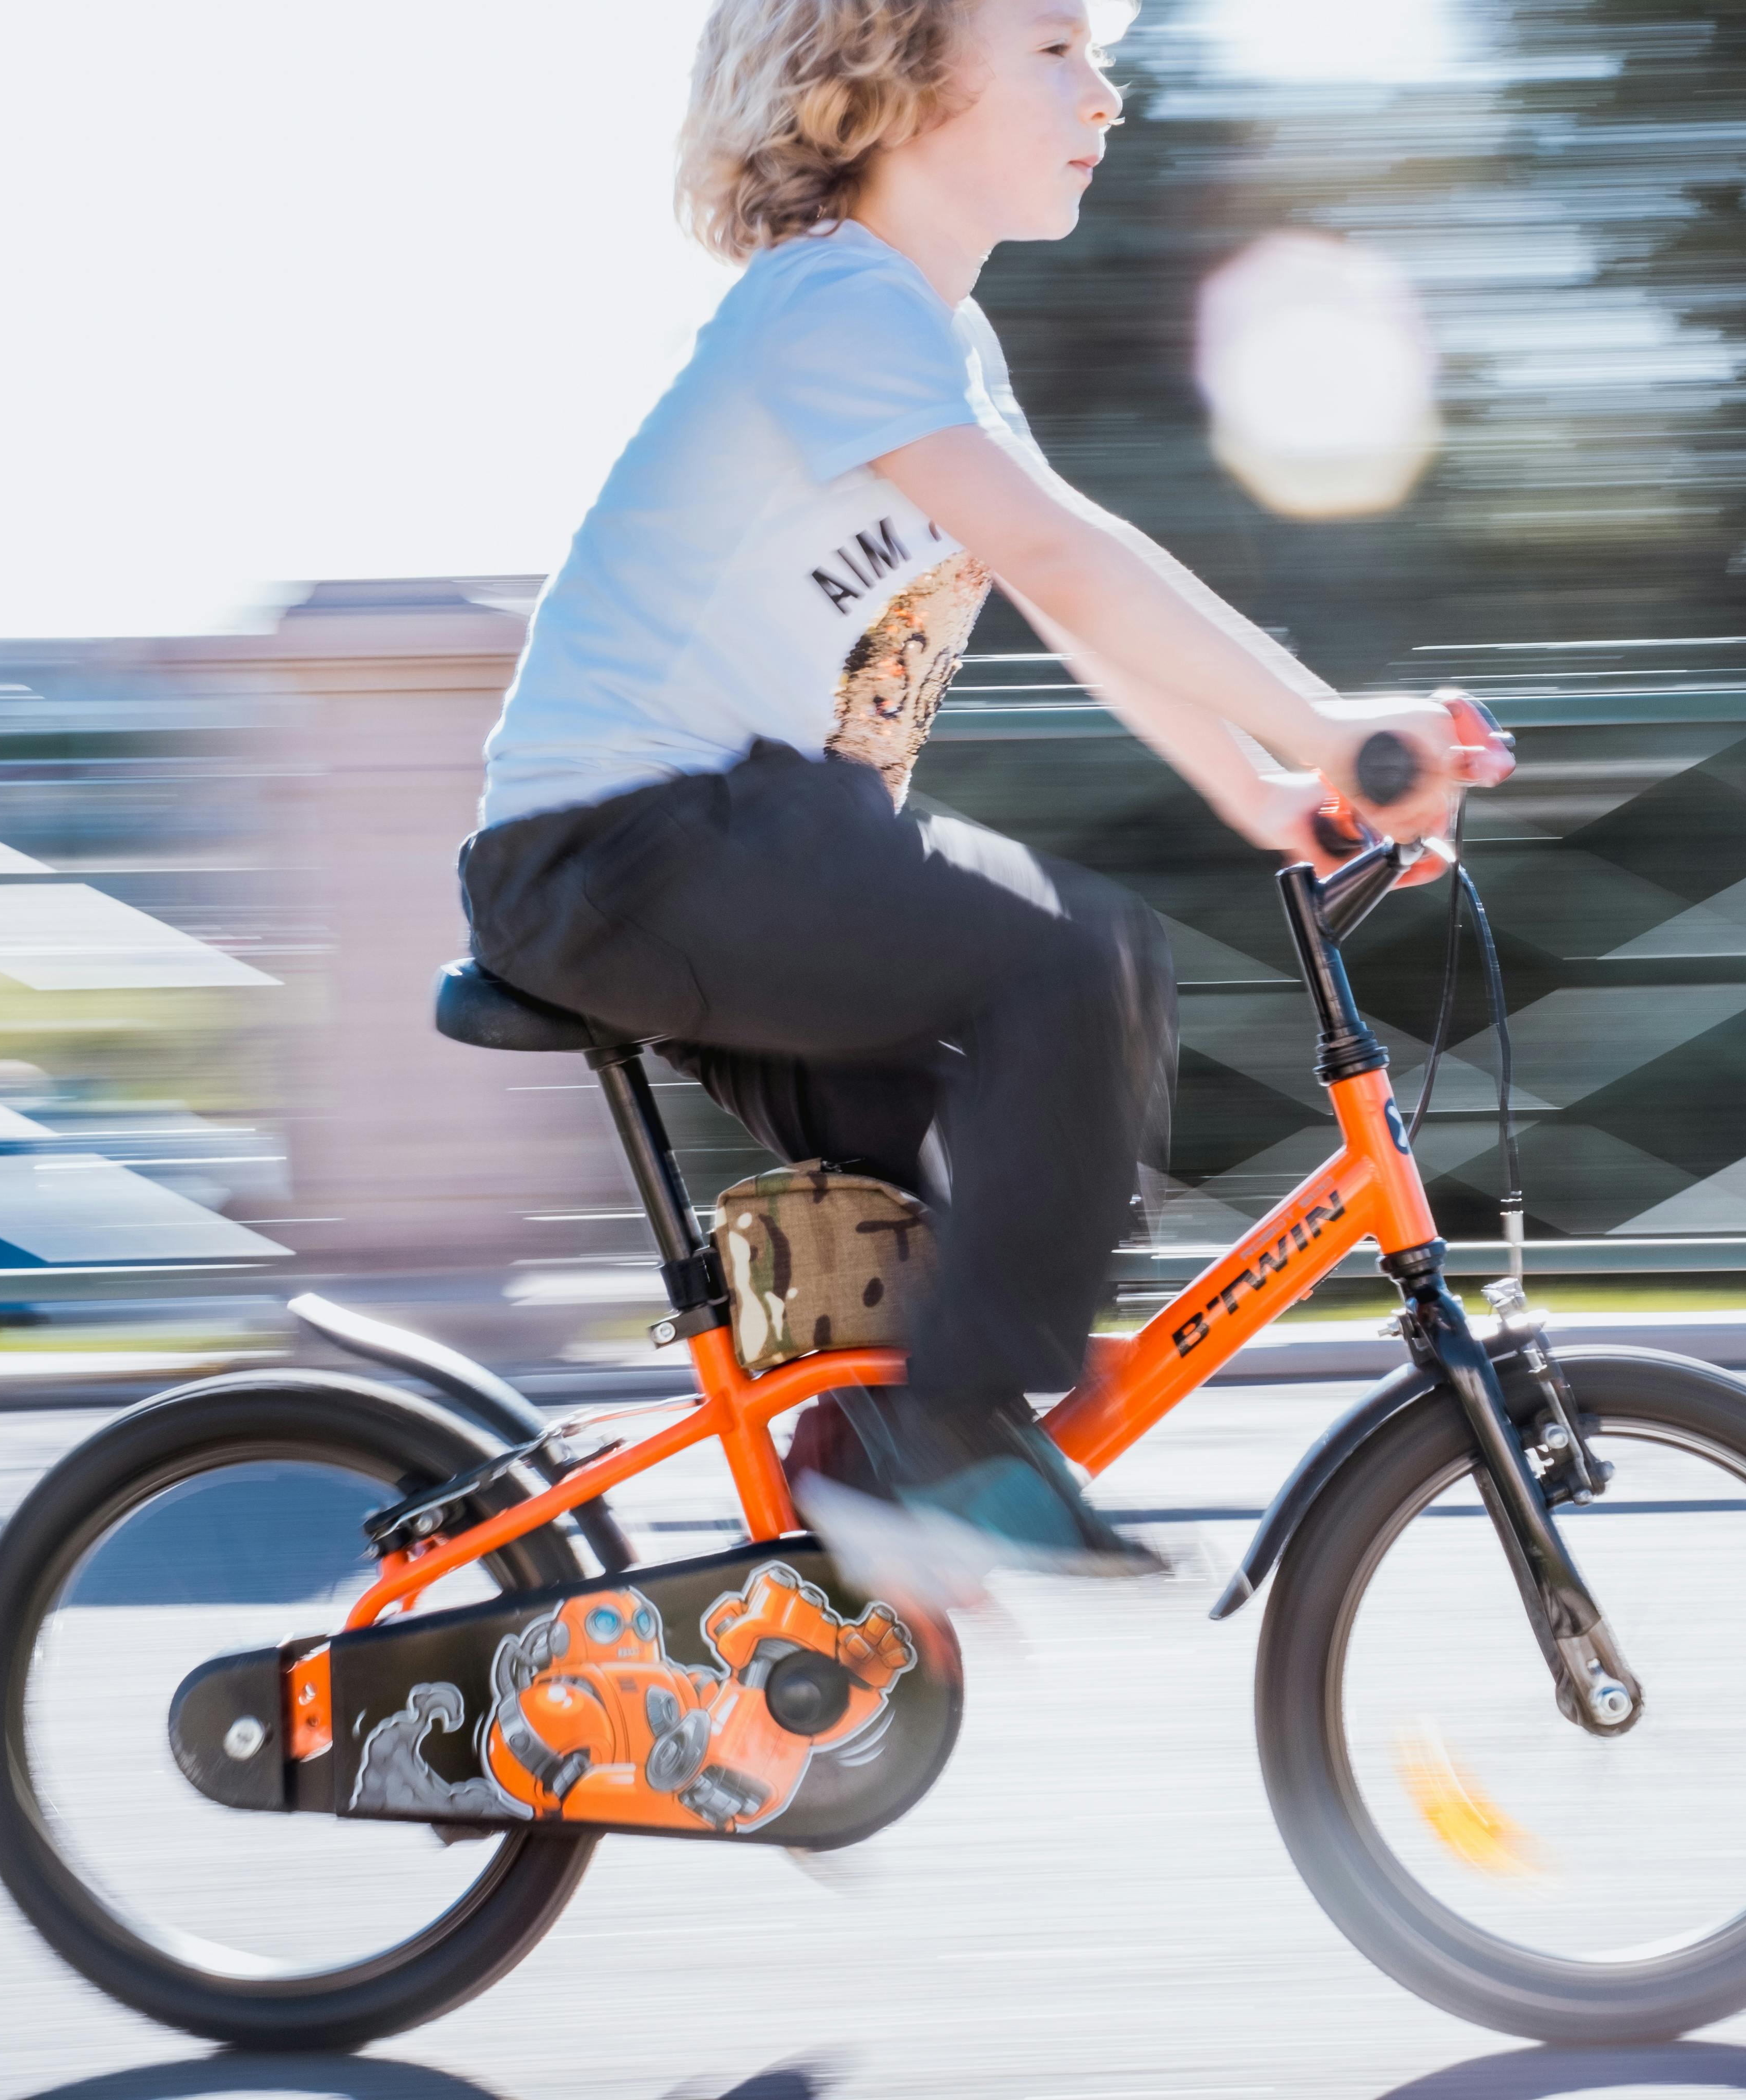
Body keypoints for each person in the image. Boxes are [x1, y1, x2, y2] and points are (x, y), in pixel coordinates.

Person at [458, 0, 1462, 1603]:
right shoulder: (830, 307)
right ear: (895, 76)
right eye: (1057, 48)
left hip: (727, 843)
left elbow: (1062, 594)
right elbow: (1066, 556)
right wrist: (1333, 724)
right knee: (1075, 961)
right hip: (620, 848)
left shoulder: (935, 340)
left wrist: (1269, 785)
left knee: (999, 1153)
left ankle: (853, 1516)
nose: (1106, 91)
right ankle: (945, 1456)